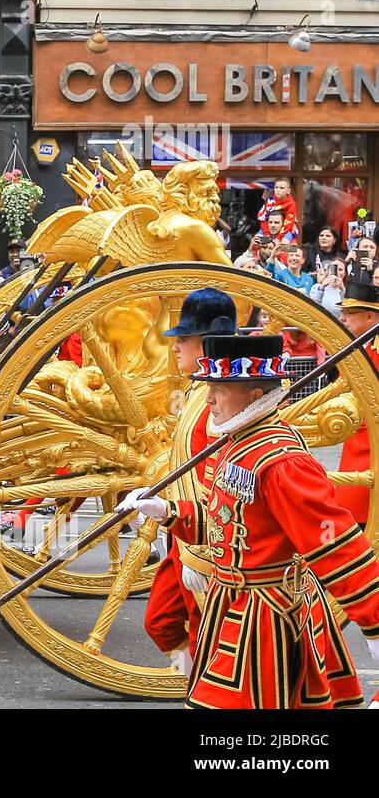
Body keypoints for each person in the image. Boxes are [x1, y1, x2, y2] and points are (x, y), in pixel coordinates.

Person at [120, 333, 379, 708]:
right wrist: (168, 512)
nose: (208, 399)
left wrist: (373, 623)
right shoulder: (238, 443)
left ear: (255, 395)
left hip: (266, 618)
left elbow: (333, 542)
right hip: (230, 606)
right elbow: (229, 526)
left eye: (220, 389)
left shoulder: (280, 459)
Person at [143, 288, 236, 675]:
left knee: (208, 638)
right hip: (183, 533)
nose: (176, 347)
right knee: (160, 621)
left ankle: (198, 688)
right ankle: (192, 678)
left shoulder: (222, 397)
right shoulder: (201, 388)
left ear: (210, 342)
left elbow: (222, 479)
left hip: (207, 543)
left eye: (185, 339)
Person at [335, 278, 379, 527]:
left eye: (349, 313)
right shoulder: (360, 347)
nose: (342, 319)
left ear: (370, 318)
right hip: (357, 436)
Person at [257, 178, 300, 246]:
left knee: (286, 244)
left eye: (281, 188)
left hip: (287, 229)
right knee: (257, 242)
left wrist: (278, 238)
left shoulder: (291, 204)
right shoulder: (270, 200)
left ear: (288, 191)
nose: (278, 190)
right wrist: (266, 234)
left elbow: (288, 223)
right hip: (267, 229)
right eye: (276, 187)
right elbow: (263, 219)